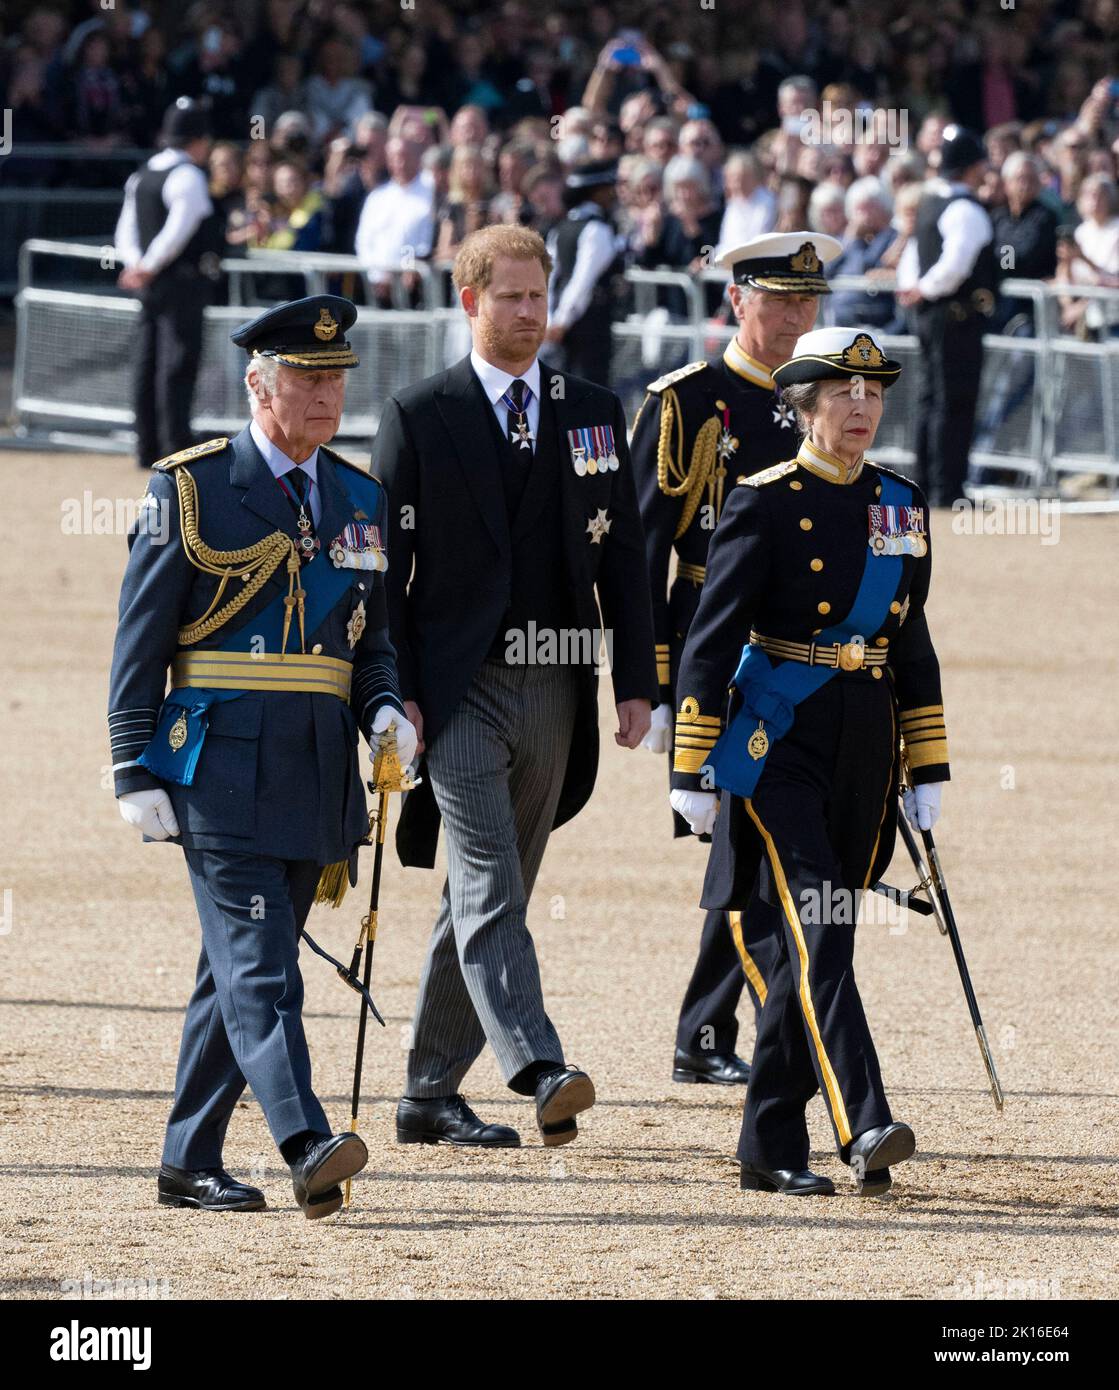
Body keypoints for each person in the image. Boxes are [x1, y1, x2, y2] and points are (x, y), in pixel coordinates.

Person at [107, 295, 417, 1219]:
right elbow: (141, 636)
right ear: (258, 382)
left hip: (318, 769)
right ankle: (304, 1138)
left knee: (236, 969)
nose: (327, 396)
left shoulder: (361, 497)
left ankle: (187, 1160)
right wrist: (131, 765)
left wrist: (386, 708)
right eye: (307, 379)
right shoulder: (191, 487)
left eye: (336, 379)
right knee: (261, 968)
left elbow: (371, 642)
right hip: (218, 767)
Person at [373, 225, 656, 1150]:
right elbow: (384, 576)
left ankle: (424, 1094)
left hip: (558, 688)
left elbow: (627, 558)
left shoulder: (591, 411)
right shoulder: (419, 412)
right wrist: (395, 693)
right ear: (469, 302)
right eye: (511, 298)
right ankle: (540, 1064)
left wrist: (635, 683)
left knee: (488, 896)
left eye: (539, 296)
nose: (530, 315)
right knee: (490, 879)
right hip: (454, 692)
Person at [670, 326, 950, 1197]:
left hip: (865, 741)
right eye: (840, 391)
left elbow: (911, 640)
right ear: (800, 404)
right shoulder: (762, 499)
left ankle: (765, 1145)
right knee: (823, 923)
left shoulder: (900, 501)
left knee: (801, 942)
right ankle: (863, 1121)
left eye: (871, 392)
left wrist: (928, 765)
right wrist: (690, 768)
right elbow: (709, 643)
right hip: (774, 742)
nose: (860, 406)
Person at [631, 231, 841, 1087]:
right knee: (739, 835)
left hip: (793, 660)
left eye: (807, 301)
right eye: (778, 300)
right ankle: (733, 1032)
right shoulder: (688, 402)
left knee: (754, 840)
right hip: (708, 648)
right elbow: (642, 547)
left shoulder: (824, 397)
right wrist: (648, 682)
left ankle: (708, 1031)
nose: (794, 317)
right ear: (736, 302)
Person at [114, 97, 224, 469]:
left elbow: (126, 228)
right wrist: (149, 265)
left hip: (150, 285)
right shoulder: (189, 175)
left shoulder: (143, 173)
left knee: (147, 362)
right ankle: (173, 446)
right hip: (181, 284)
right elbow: (180, 229)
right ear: (199, 139)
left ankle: (146, 445)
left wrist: (137, 265)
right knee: (176, 365)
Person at [896, 125, 997, 505]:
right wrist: (926, 287)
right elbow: (955, 266)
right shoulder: (965, 210)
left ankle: (926, 480)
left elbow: (913, 253)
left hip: (929, 314)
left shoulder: (928, 204)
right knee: (953, 401)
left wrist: (914, 287)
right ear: (971, 168)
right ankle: (947, 488)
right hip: (956, 317)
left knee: (931, 398)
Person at [544, 159, 626, 386]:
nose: (612, 195)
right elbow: (582, 282)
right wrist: (562, 321)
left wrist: (551, 317)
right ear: (596, 192)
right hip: (589, 327)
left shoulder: (561, 228)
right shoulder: (597, 229)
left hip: (562, 326)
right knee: (589, 391)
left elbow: (550, 278)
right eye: (608, 189)